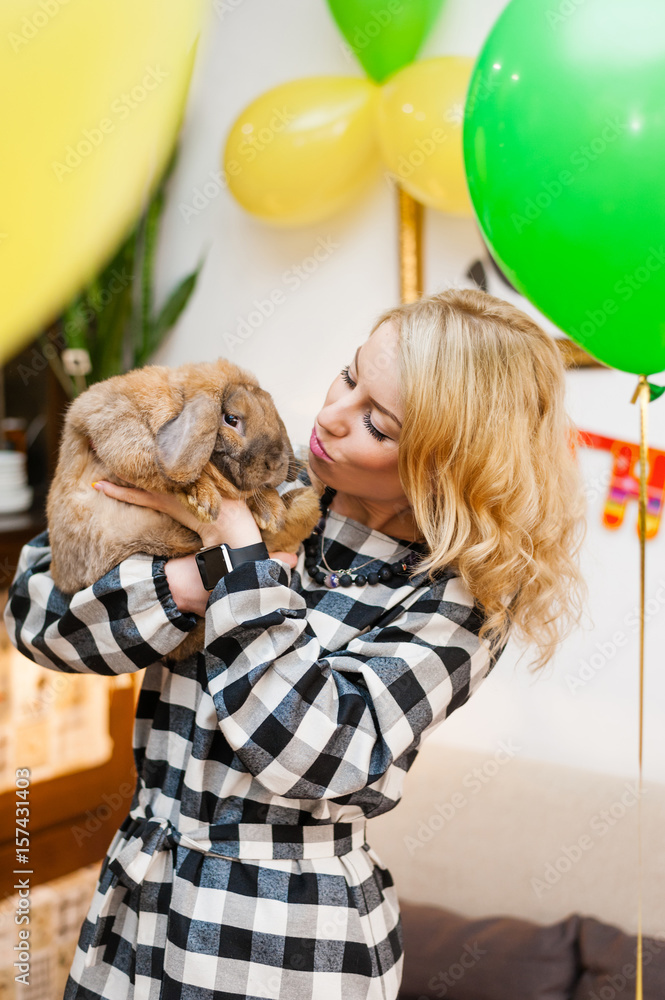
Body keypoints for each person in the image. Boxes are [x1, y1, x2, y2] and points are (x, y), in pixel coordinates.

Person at [3, 287, 587, 1000]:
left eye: (377, 423)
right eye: (348, 377)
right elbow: (37, 615)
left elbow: (311, 751)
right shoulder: (262, 480)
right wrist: (198, 576)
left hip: (282, 940)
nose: (331, 419)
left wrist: (240, 553)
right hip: (136, 908)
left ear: (444, 465)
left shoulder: (458, 599)